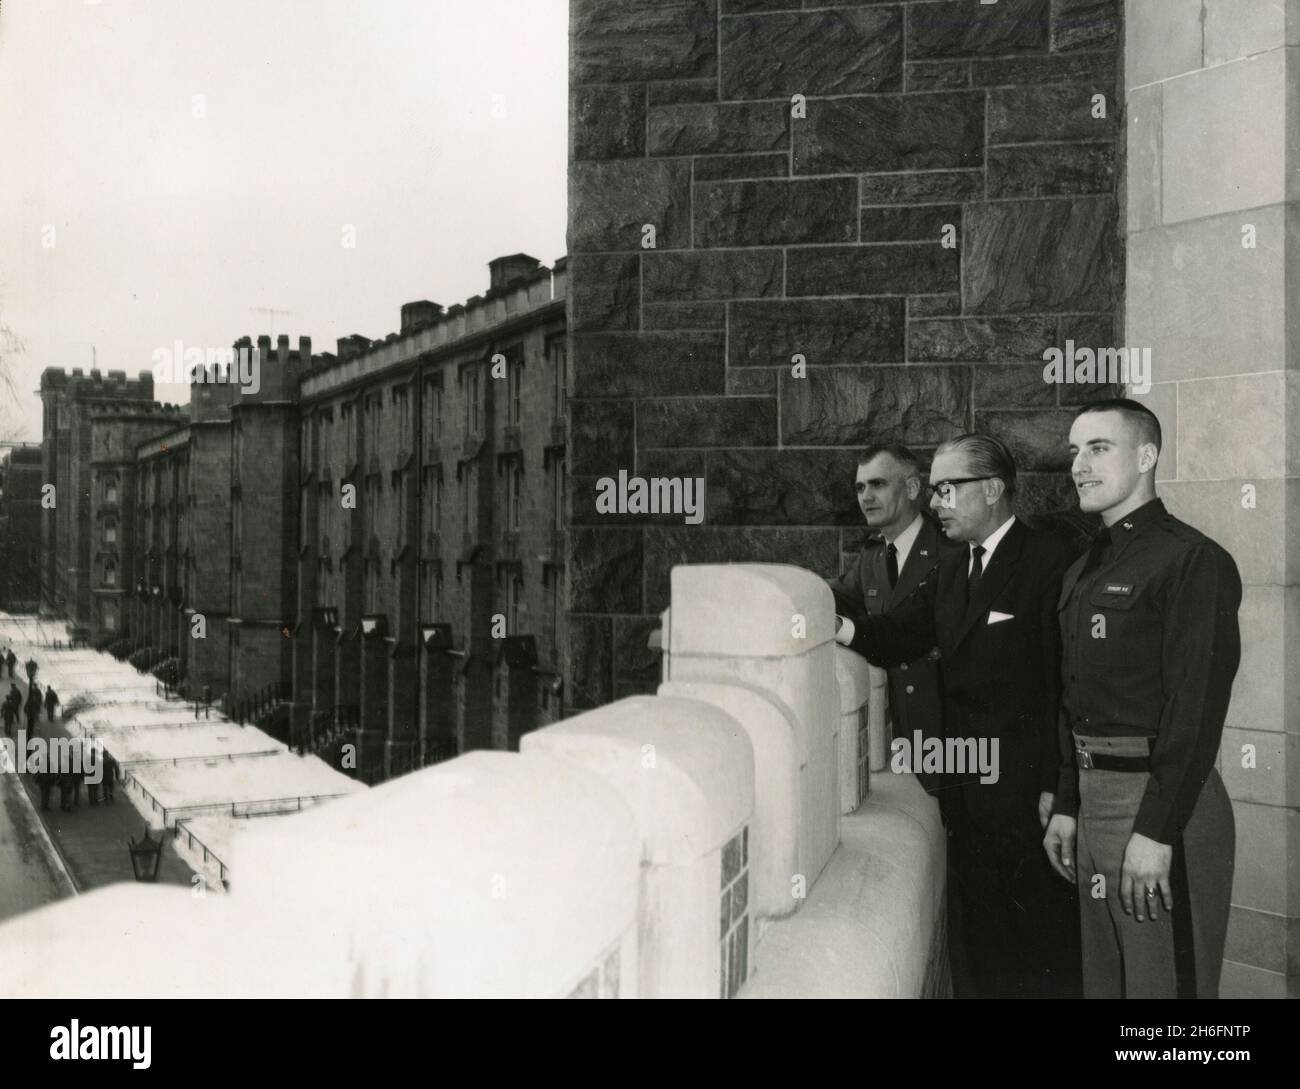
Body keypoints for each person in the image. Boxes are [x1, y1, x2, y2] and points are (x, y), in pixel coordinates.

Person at [835, 432, 1081, 999]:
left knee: (1040, 952)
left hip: (1029, 801)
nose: (936, 501)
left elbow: (1067, 687)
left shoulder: (1050, 561)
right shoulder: (952, 566)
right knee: (979, 950)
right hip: (965, 794)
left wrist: (1057, 788)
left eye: (948, 488)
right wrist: (828, 622)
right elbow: (894, 635)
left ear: (993, 489)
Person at [1044, 399, 1241, 999]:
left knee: (1166, 996)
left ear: (1147, 456)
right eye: (1074, 451)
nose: (1079, 464)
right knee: (1109, 984)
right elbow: (1074, 699)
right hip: (1097, 800)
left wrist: (1156, 831)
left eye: (1098, 448)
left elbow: (1196, 708)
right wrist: (1069, 804)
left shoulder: (1191, 559)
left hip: (1160, 805)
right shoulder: (1084, 569)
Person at [827, 443, 959, 797]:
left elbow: (905, 629)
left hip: (948, 742)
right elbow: (836, 595)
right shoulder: (872, 556)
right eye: (860, 487)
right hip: (890, 737)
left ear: (913, 488)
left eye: (878, 484)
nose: (866, 496)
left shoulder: (951, 550)